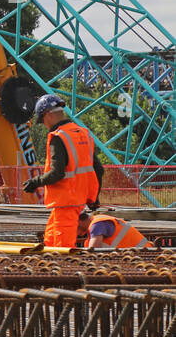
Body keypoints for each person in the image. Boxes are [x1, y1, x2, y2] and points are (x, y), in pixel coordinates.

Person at [21, 95, 103, 247]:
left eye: (42, 120)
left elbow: (56, 174)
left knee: (62, 250)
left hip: (65, 202)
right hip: (76, 201)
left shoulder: (58, 137)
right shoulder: (83, 133)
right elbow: (98, 169)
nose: (44, 125)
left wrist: (35, 182)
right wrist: (94, 198)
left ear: (48, 115)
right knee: (50, 242)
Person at [82, 212, 152, 249]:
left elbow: (93, 250)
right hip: (136, 257)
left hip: (144, 256)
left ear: (79, 221)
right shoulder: (95, 226)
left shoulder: (97, 224)